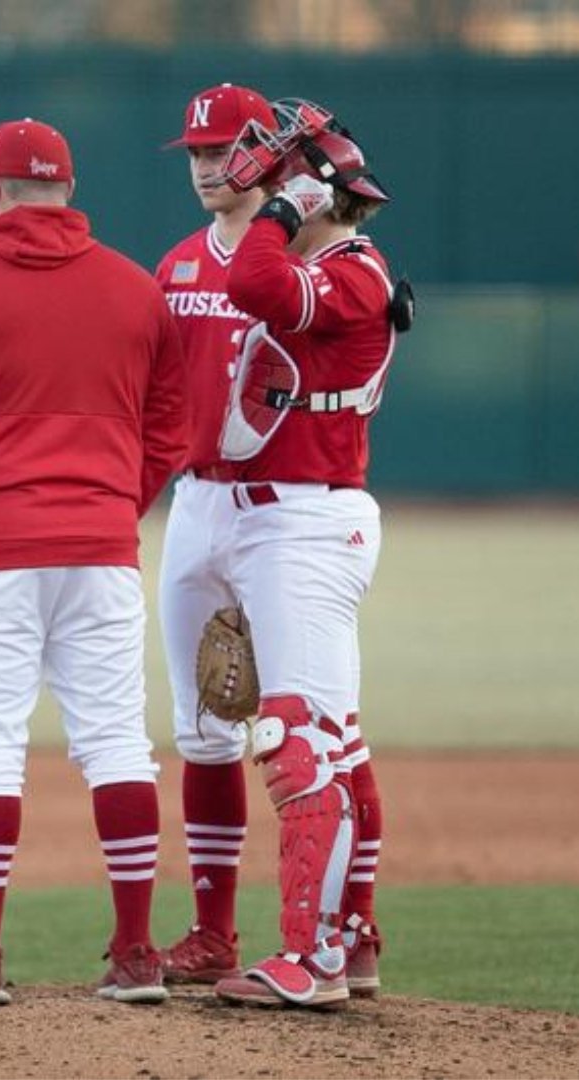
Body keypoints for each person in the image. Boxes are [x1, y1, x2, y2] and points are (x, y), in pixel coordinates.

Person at [0, 118, 189, 1007]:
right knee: (119, 743)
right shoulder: (135, 289)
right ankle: (137, 956)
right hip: (99, 550)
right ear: (69, 188)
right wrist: (111, 506)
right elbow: (173, 424)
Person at [204, 99, 402, 1008]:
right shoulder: (342, 263)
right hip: (293, 519)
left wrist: (287, 203)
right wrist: (294, 201)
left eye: (277, 176)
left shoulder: (351, 270)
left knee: (295, 738)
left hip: (307, 524)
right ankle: (353, 938)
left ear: (318, 189)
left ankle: (309, 958)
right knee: (340, 740)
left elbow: (251, 282)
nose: (259, 187)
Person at [149, 82, 276, 988]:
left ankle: (343, 928)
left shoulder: (304, 258)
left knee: (310, 726)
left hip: (283, 506)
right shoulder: (177, 267)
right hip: (195, 504)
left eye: (221, 150)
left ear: (264, 154)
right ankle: (212, 933)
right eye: (195, 153)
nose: (204, 167)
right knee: (202, 727)